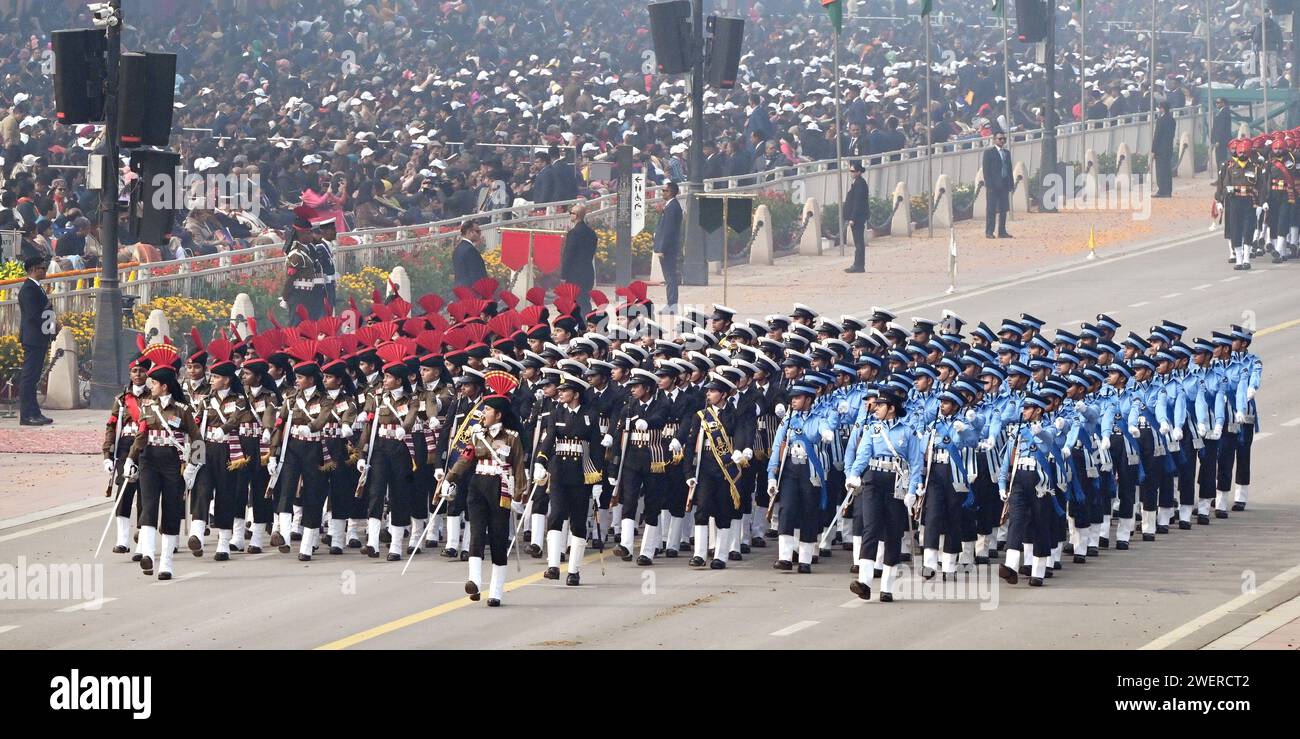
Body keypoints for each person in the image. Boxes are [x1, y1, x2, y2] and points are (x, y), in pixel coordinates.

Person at [441, 392, 527, 607]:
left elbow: (518, 468)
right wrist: (449, 478)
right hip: (478, 484)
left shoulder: (512, 438)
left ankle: (496, 591)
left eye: (487, 410)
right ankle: (475, 582)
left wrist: (519, 495)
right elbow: (465, 458)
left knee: (498, 538)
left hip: (500, 488)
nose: (484, 414)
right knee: (476, 534)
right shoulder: (478, 435)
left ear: (498, 414)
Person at [126, 349, 203, 581]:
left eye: (154, 384)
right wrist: (131, 459)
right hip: (149, 460)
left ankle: (166, 563)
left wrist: (192, 468)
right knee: (148, 507)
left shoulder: (183, 411)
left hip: (173, 463)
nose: (151, 388)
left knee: (170, 512)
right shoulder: (148, 408)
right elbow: (140, 435)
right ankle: (149, 554)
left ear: (165, 387)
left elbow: (197, 439)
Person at [18, 256, 53, 426]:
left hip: (40, 337)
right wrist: (49, 324)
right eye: (42, 269)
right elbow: (34, 315)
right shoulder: (28, 289)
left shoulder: (37, 288)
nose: (45, 271)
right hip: (33, 337)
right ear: (33, 269)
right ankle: (26, 415)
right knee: (29, 377)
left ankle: (35, 411)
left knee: (34, 377)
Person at [560, 204, 597, 315]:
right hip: (588, 271)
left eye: (571, 213)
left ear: (576, 215)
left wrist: (563, 275)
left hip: (574, 274)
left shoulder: (573, 233)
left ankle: (579, 326)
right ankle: (589, 324)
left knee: (575, 301)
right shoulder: (591, 233)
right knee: (585, 301)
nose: (570, 215)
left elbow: (568, 255)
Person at [653, 182, 683, 312]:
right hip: (669, 248)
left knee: (670, 277)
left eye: (664, 190)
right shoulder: (670, 206)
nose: (662, 192)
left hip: (668, 250)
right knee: (669, 277)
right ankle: (671, 304)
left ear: (670, 192)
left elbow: (668, 230)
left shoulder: (672, 207)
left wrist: (662, 249)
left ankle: (672, 305)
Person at [982, 132, 1014, 239]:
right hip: (993, 185)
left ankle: (1002, 231)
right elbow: (986, 171)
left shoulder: (1006, 153)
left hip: (1004, 184)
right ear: (994, 140)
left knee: (1003, 209)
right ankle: (989, 231)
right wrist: (989, 185)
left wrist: (1011, 184)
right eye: (1000, 139)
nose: (1002, 141)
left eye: (1003, 139)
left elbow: (1009, 169)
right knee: (991, 209)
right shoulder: (989, 153)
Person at [843, 161, 869, 273]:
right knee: (858, 241)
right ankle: (858, 264)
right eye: (850, 171)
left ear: (858, 172)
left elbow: (858, 202)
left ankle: (858, 265)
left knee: (859, 242)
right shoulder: (857, 183)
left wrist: (853, 218)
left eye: (853, 171)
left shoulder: (860, 184)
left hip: (858, 218)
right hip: (857, 217)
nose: (851, 173)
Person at [452, 219, 488, 288]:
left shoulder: (458, 249)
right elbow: (476, 274)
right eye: (478, 231)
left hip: (460, 290)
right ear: (469, 232)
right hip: (471, 292)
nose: (480, 234)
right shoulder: (470, 250)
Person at [1152, 102, 1176, 198]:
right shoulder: (1172, 120)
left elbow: (1157, 136)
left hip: (1160, 149)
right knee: (1167, 170)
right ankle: (1168, 190)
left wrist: (1153, 149)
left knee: (1161, 171)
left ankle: (1162, 190)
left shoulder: (1161, 120)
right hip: (1168, 147)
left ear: (1162, 109)